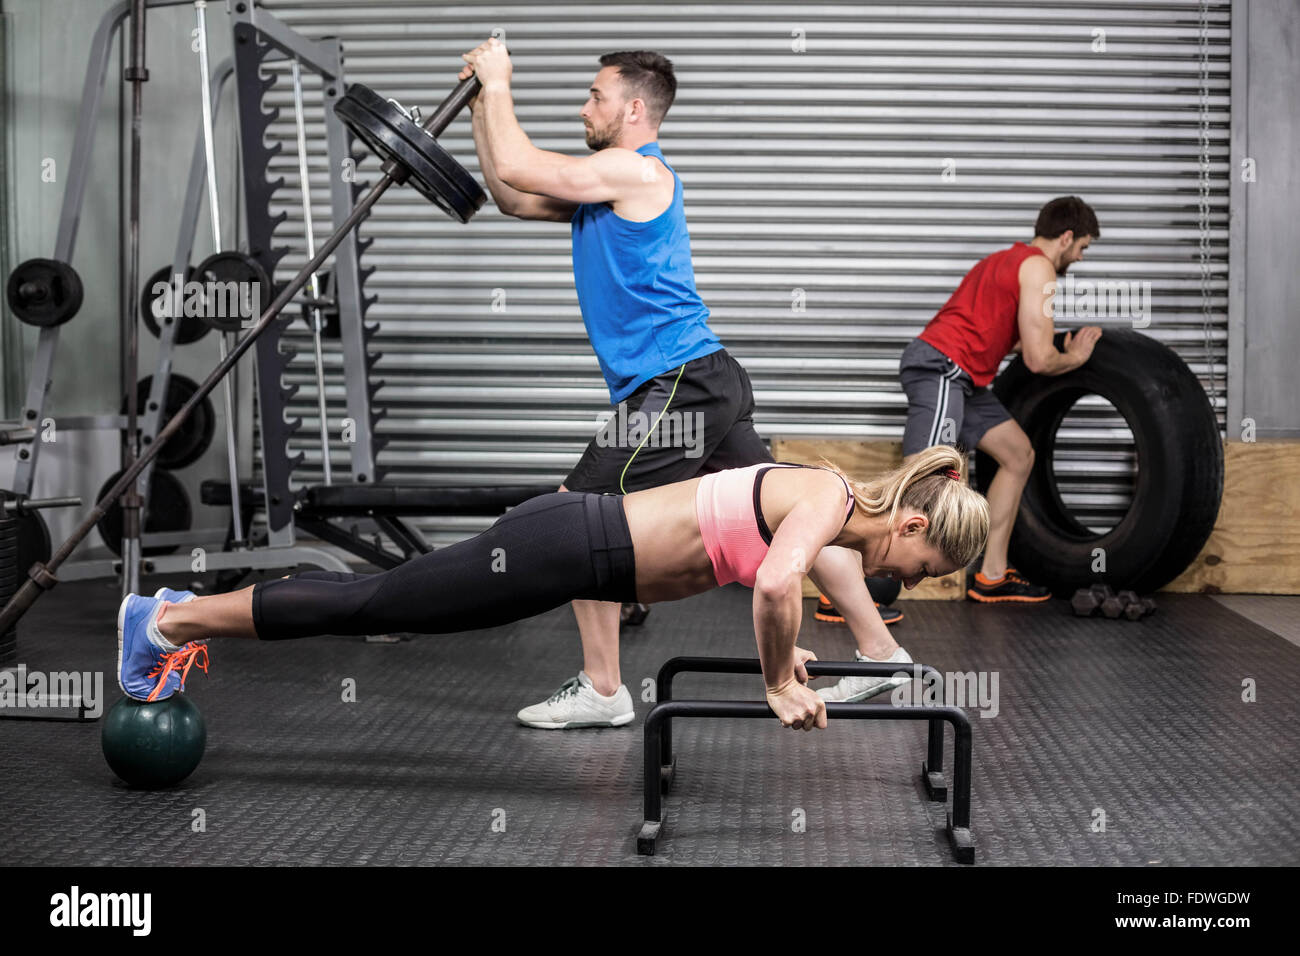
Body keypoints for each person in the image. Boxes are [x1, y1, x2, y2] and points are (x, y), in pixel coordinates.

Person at [455, 38, 904, 728]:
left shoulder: (633, 173)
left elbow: (519, 162)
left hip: (678, 386)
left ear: (635, 109)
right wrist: (484, 104)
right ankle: (881, 653)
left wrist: (500, 79)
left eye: (595, 97)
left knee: (578, 512)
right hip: (707, 380)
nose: (584, 108)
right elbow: (511, 194)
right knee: (794, 512)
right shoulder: (604, 189)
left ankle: (604, 689)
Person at [117, 446, 989, 734]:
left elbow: (773, 585)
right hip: (565, 546)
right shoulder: (831, 497)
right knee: (373, 606)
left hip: (576, 550)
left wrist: (784, 650)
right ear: (911, 528)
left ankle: (174, 618)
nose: (911, 582)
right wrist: (774, 679)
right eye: (925, 569)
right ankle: (168, 619)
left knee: (381, 605)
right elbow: (771, 583)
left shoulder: (828, 507)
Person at [899, 195, 1104, 603]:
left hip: (967, 378)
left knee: (1018, 455)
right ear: (1066, 238)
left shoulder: (1004, 260)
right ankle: (856, 582)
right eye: (1082, 247)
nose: (1080, 258)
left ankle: (991, 573)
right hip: (942, 367)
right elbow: (1038, 359)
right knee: (922, 479)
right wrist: (1076, 356)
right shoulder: (1041, 267)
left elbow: (1003, 336)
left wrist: (1051, 340)